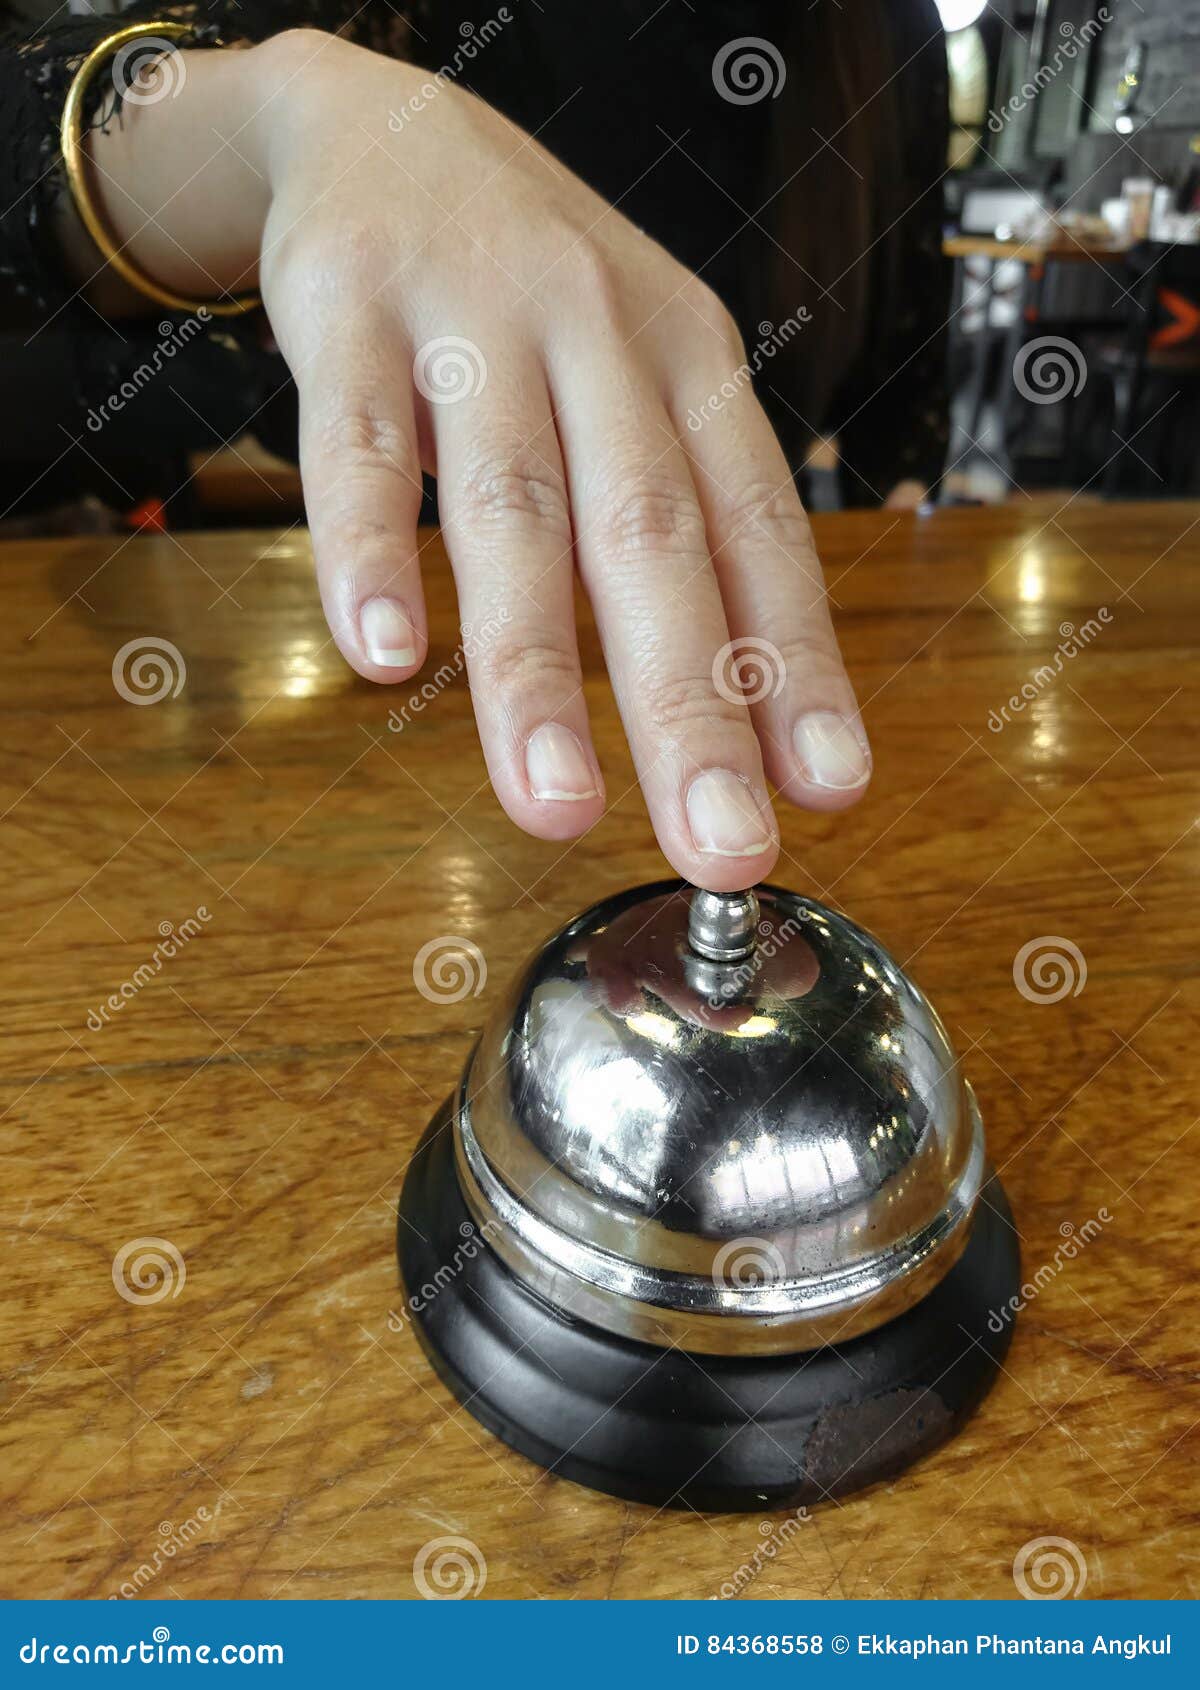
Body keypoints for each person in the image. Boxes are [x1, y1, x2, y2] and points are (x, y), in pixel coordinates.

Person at [0, 0, 950, 893]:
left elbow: (905, 381)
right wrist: (281, 108)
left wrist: (904, 544)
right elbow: (33, 157)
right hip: (386, 689)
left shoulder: (887, 29)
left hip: (749, 653)